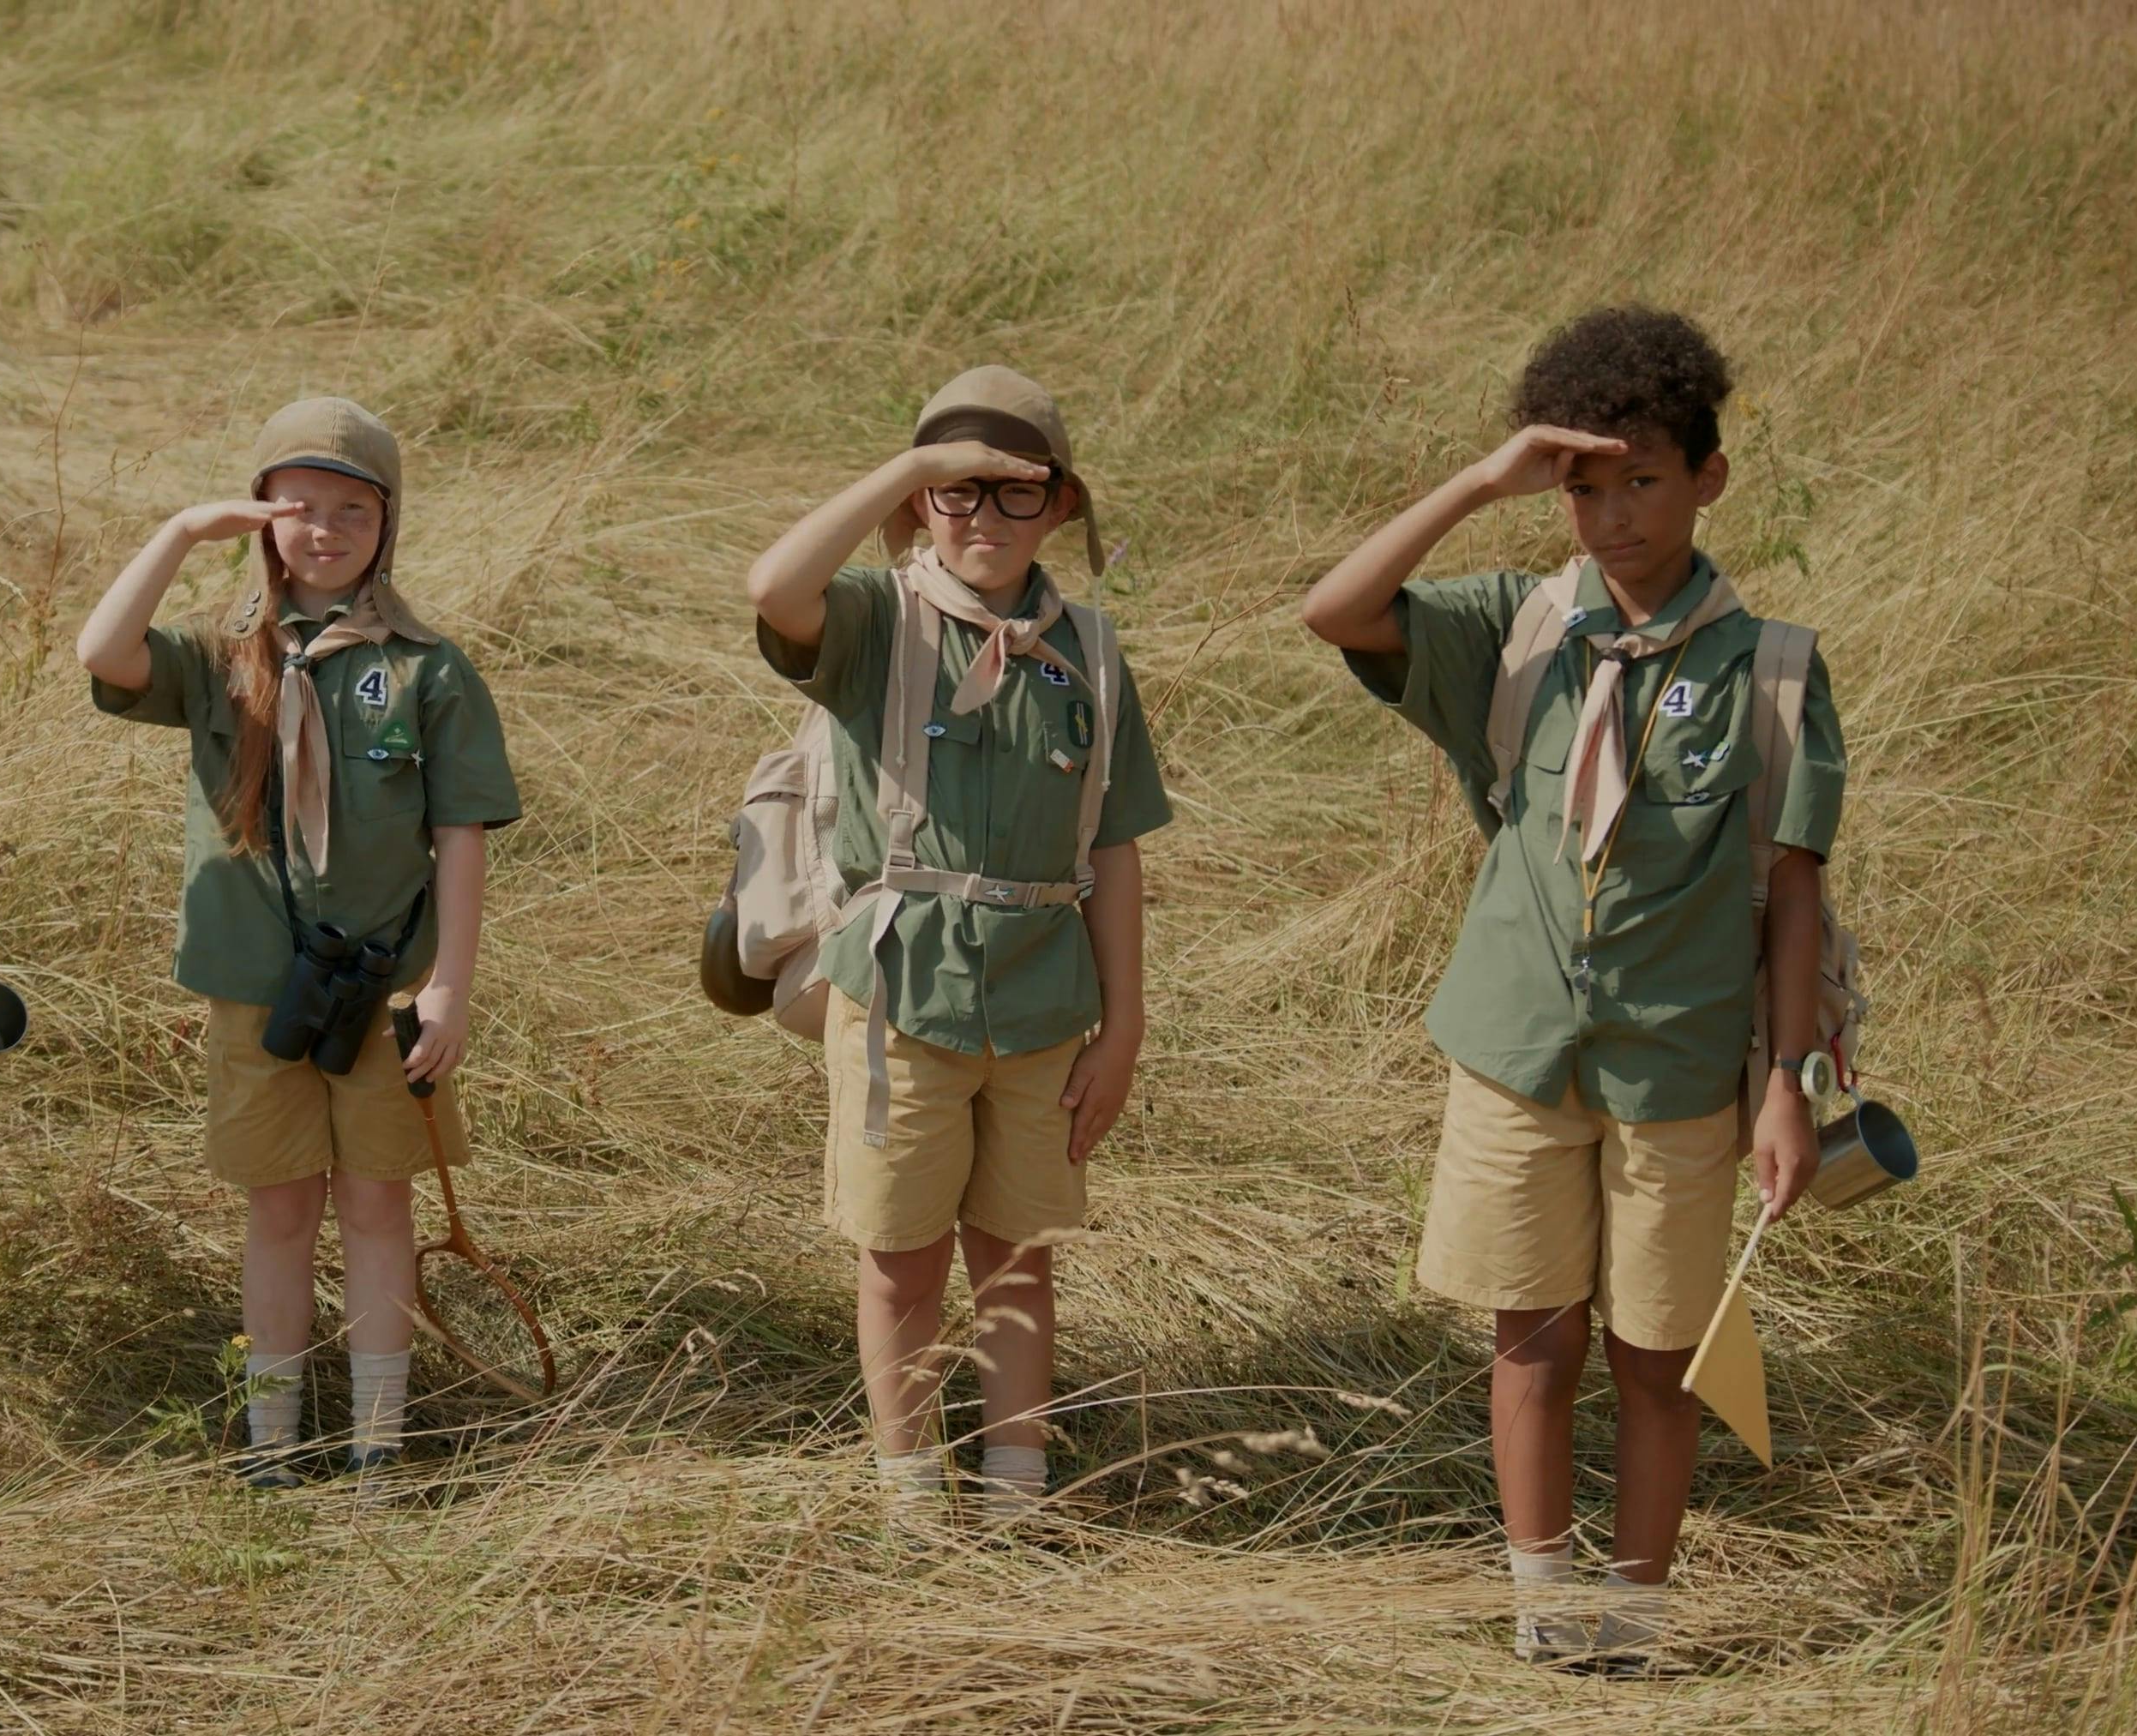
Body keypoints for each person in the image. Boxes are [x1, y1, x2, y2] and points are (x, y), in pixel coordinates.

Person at [1298, 307, 1845, 1670]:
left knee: (1655, 1362)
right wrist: (1488, 482)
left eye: (1644, 479)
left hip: (1677, 1067)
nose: (1611, 517)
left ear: (1712, 478)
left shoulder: (1771, 670)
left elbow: (1791, 897)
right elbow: (1336, 609)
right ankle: (1545, 1609)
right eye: (1584, 484)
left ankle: (1636, 1621)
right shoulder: (1515, 627)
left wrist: (1784, 1085)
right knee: (1529, 1341)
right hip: (1519, 1049)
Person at [742, 366, 1171, 1529]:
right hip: (898, 992)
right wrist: (911, 473)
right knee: (901, 1248)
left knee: (1018, 1250)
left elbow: (1116, 847)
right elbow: (775, 585)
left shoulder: (1089, 650)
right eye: (956, 495)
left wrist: (1124, 1025)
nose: (981, 518)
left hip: (1043, 1002)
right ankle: (910, 1492)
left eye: (1012, 494)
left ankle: (1017, 1489)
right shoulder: (879, 620)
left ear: (1062, 507)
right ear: (917, 506)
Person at [75, 398, 519, 1486]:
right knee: (277, 1210)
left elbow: (460, 839)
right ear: (262, 515)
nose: (326, 530)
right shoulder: (221, 657)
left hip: (383, 992)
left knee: (377, 1204)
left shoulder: (430, 670)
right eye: (299, 507)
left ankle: (375, 1441)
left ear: (388, 526)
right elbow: (102, 650)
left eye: (353, 511)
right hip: (253, 987)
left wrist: (452, 989)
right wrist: (183, 534)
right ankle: (274, 1440)